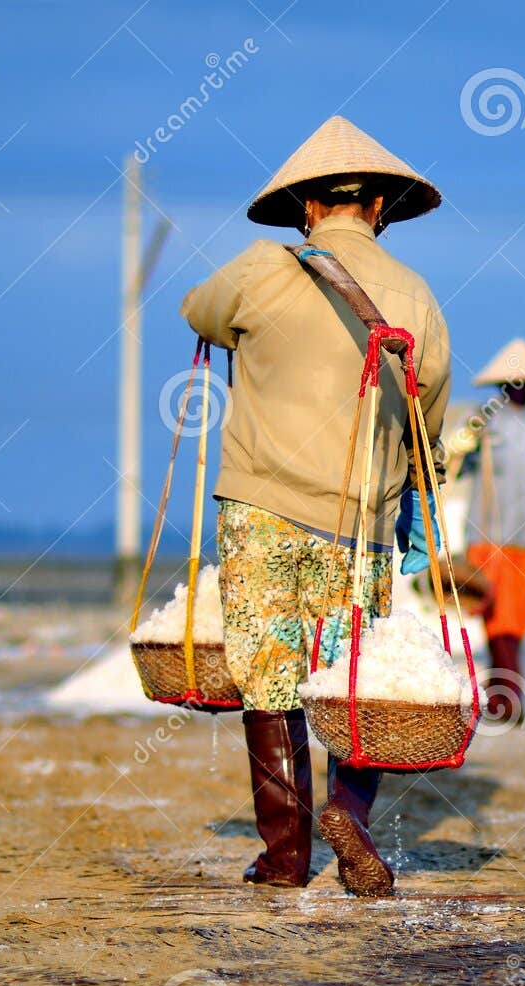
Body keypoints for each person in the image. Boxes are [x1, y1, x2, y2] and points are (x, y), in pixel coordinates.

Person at [179, 116, 450, 896]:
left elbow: (197, 310)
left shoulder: (263, 268)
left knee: (271, 682)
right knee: (348, 679)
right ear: (380, 210)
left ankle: (285, 856)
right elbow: (429, 416)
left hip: (262, 511)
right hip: (360, 521)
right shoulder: (417, 295)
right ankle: (351, 819)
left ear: (306, 208)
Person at [447, 338, 525, 725]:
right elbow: (449, 465)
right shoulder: (482, 419)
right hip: (486, 533)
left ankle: (501, 694)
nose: (520, 389)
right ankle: (508, 697)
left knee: (515, 619)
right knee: (495, 616)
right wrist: (457, 448)